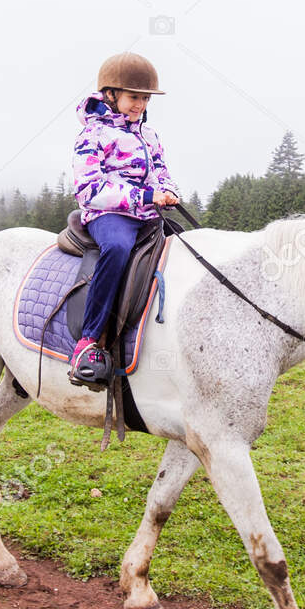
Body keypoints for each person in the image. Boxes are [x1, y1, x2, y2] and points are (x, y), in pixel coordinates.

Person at [69, 52, 180, 387]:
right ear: (111, 94)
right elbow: (89, 189)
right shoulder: (92, 136)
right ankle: (88, 341)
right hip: (109, 215)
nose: (140, 105)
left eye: (145, 99)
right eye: (134, 97)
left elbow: (161, 173)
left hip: (147, 214)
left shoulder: (150, 136)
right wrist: (145, 197)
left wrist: (168, 191)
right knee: (117, 248)